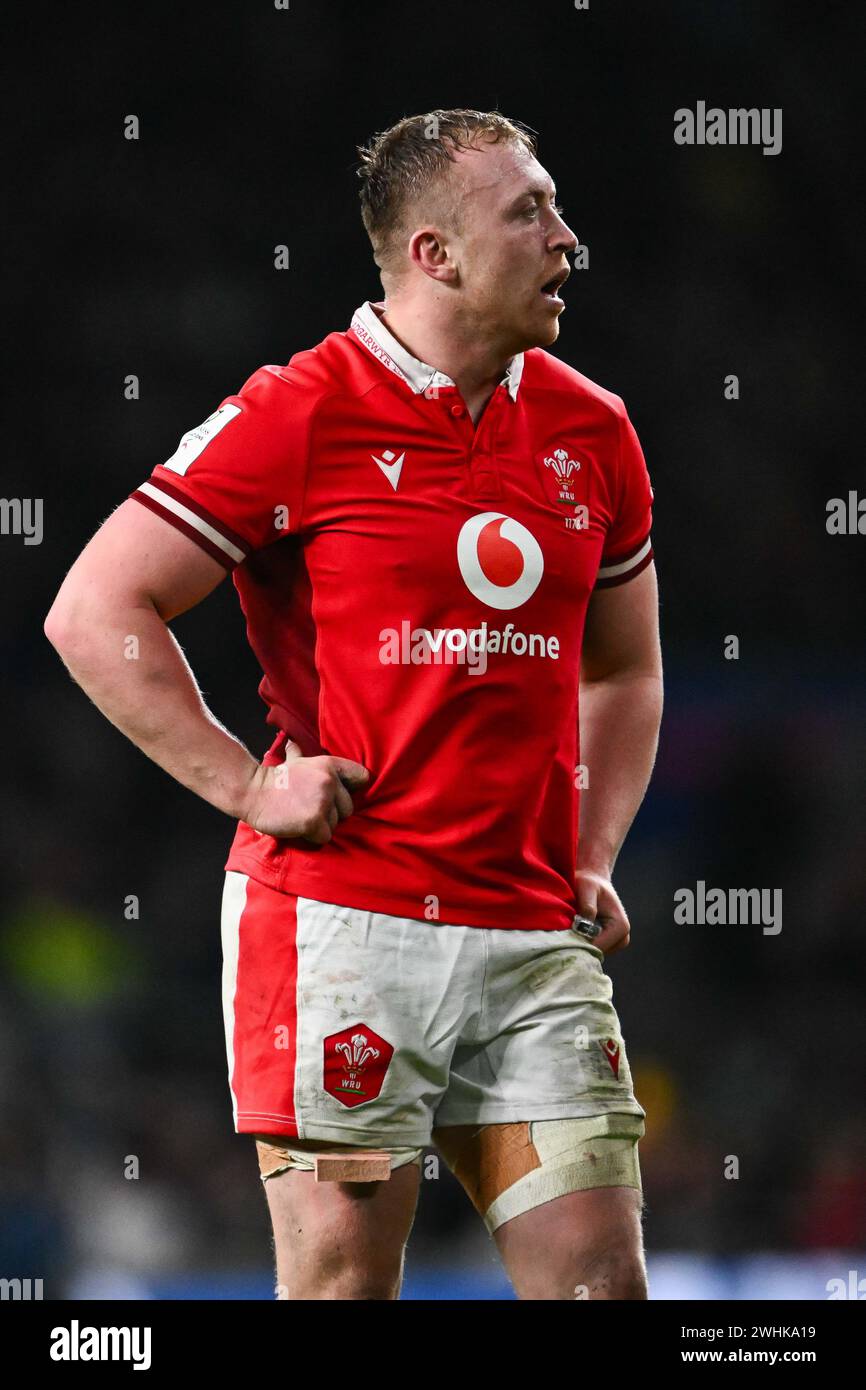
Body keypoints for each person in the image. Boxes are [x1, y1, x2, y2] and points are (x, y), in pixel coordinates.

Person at [44, 109, 663, 1300]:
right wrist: (246, 781)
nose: (565, 238)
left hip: (534, 932)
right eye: (527, 211)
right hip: (346, 926)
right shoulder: (300, 410)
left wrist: (590, 851)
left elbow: (622, 671)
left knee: (598, 1281)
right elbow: (96, 606)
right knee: (338, 1286)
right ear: (433, 254)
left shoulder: (593, 430)